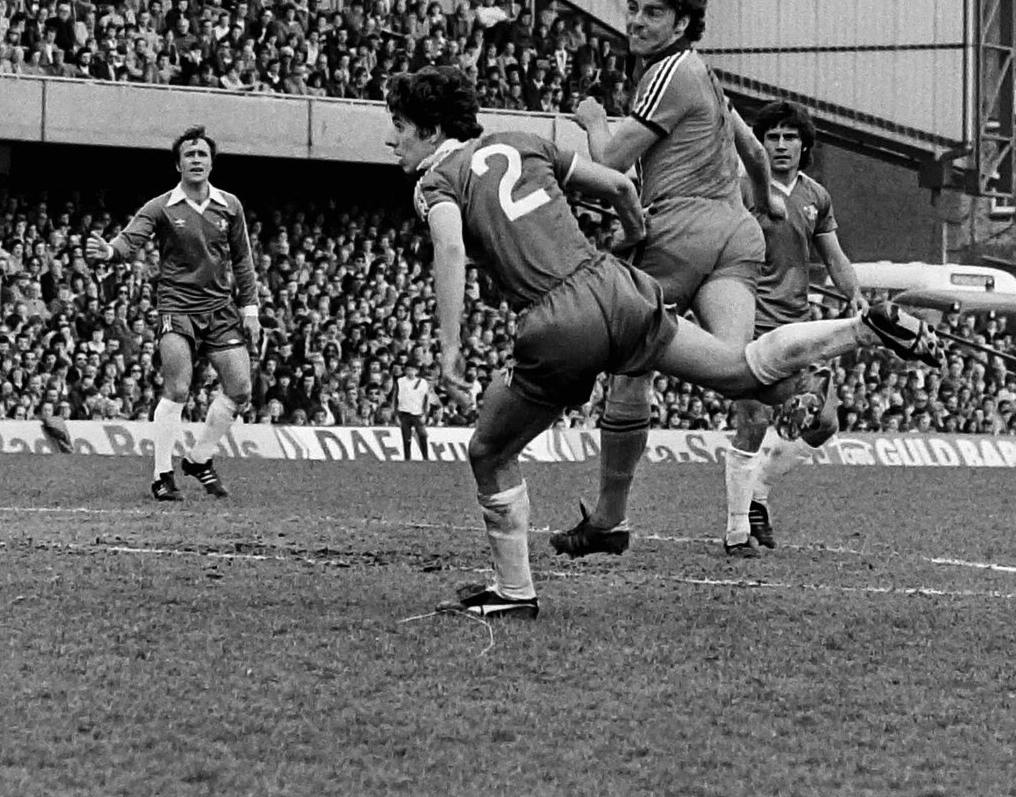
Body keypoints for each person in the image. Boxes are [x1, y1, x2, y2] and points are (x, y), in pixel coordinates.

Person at [385, 64, 936, 619]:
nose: (392, 138)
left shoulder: (435, 183)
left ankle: (514, 592)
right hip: (617, 286)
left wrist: (449, 347)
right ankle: (860, 331)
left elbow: (450, 250)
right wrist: (632, 230)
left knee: (490, 449)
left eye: (400, 125)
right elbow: (621, 186)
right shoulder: (525, 143)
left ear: (432, 131)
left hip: (558, 320)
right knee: (735, 369)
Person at [557, 0, 779, 559]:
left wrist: (593, 119)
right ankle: (794, 398)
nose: (638, 21)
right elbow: (755, 152)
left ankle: (608, 519)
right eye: (632, 8)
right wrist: (765, 211)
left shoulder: (666, 73)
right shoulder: (706, 76)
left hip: (679, 232)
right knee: (741, 369)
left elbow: (609, 164)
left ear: (683, 21)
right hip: (734, 232)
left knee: (631, 365)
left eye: (653, 12)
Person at [87, 125, 264, 501]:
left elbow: (243, 260)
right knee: (178, 387)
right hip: (176, 306)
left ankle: (199, 459)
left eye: (202, 155)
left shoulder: (229, 205)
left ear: (212, 162)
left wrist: (250, 309)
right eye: (189, 155)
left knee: (240, 389)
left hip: (219, 309)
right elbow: (131, 239)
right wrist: (110, 252)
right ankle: (162, 476)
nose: (196, 161)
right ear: (178, 164)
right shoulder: (161, 206)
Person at [720, 100, 862, 555]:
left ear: (805, 146)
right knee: (753, 422)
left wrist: (855, 295)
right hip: (748, 319)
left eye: (789, 137)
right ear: (759, 145)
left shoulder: (815, 196)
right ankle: (737, 531)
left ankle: (758, 492)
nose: (780, 145)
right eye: (772, 137)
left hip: (797, 324)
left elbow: (834, 256)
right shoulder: (740, 189)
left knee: (823, 424)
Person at [394, 358, 434, 460]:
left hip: (417, 413)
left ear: (417, 371)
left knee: (422, 435)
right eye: (408, 369)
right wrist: (396, 415)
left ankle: (425, 457)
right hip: (404, 413)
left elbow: (426, 399)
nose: (410, 372)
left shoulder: (422, 382)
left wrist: (425, 414)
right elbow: (396, 398)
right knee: (406, 437)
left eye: (413, 370)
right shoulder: (400, 381)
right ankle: (407, 458)